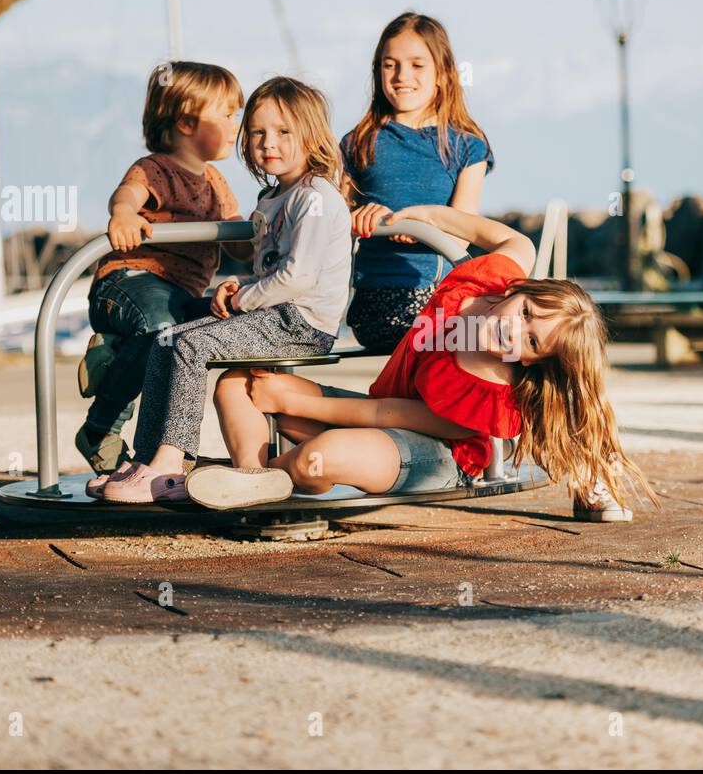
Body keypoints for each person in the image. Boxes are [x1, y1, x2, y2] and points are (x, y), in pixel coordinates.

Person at [187, 205, 656, 521]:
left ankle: (271, 478)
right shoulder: (485, 281)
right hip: (376, 420)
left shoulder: (489, 390)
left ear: (534, 361)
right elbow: (501, 236)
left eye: (531, 342)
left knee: (318, 458)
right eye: (526, 314)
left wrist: (287, 397)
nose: (516, 330)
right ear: (518, 290)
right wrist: (414, 216)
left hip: (436, 455)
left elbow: (384, 415)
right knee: (237, 383)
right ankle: (253, 480)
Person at [96, 77, 352, 504]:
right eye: (257, 132)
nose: (268, 142)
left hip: (302, 322)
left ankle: (172, 465)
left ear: (311, 135)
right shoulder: (272, 198)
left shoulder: (315, 198)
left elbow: (297, 278)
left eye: (284, 132)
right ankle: (149, 459)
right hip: (272, 314)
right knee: (168, 337)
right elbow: (269, 271)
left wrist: (239, 300)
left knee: (191, 347)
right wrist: (240, 288)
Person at [76, 61, 248, 475]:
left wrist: (267, 232)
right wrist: (124, 216)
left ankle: (165, 441)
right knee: (159, 327)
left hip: (180, 296)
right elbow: (128, 194)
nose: (235, 125)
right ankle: (101, 428)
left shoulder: (216, 183)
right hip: (129, 282)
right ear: (187, 120)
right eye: (226, 115)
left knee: (211, 328)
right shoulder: (155, 168)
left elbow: (240, 245)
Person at [343, 11, 493, 354]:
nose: (401, 76)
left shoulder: (468, 146)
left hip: (438, 295)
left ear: (442, 73)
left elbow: (462, 230)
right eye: (389, 65)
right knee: (464, 343)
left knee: (509, 343)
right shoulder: (357, 142)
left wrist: (421, 225)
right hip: (376, 303)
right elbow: (335, 221)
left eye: (417, 65)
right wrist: (364, 218)